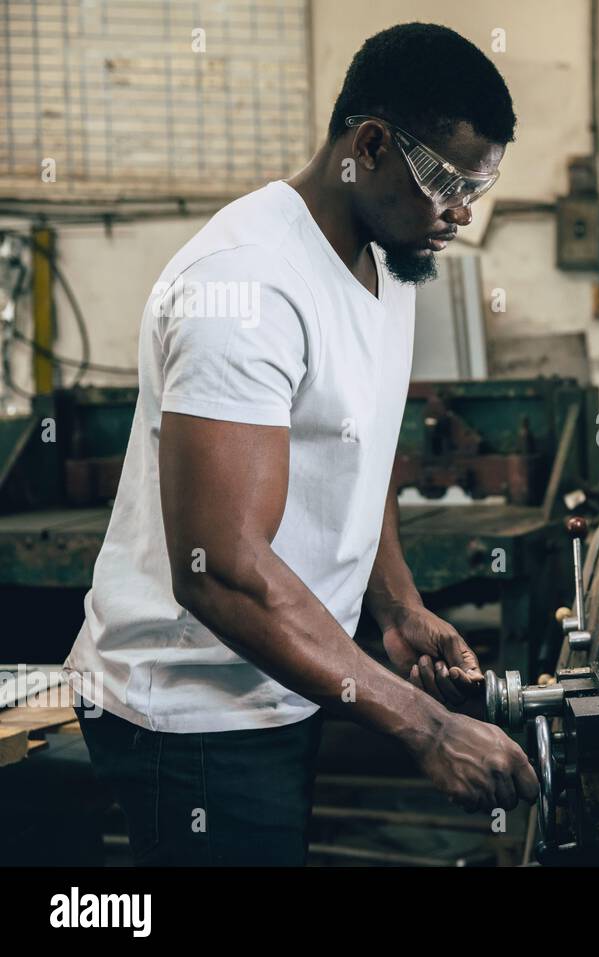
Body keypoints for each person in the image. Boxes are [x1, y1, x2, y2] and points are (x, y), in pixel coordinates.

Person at [63, 22, 538, 866]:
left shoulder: (388, 255)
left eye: (480, 185)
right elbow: (221, 570)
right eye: (447, 182)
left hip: (283, 682)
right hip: (193, 708)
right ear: (371, 146)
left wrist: (395, 607)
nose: (463, 211)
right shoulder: (245, 286)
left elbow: (356, 449)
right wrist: (426, 725)